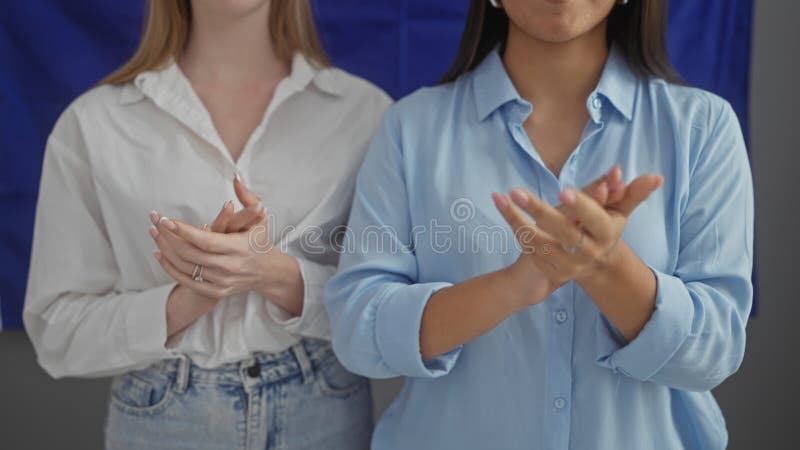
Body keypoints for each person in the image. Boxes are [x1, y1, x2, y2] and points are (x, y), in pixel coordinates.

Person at [325, 0, 753, 448]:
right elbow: (358, 330)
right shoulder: (409, 129)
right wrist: (514, 285)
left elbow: (715, 350)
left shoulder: (703, 128)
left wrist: (605, 267)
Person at [24, 1, 391, 448]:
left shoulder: (365, 115)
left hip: (323, 409)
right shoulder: (95, 124)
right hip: (163, 417)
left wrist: (278, 276)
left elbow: (393, 313)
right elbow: (58, 331)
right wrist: (186, 301)